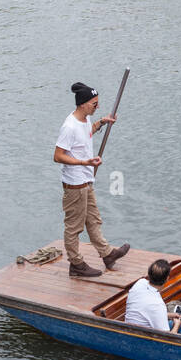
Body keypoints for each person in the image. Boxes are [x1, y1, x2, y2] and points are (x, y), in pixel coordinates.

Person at [54, 81, 130, 277]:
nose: (97, 107)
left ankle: (107, 254)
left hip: (87, 181)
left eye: (98, 103)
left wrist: (102, 122)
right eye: (94, 104)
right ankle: (76, 264)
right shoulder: (69, 126)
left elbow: (87, 133)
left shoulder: (85, 120)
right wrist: (84, 162)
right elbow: (58, 156)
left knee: (94, 220)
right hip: (75, 184)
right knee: (74, 227)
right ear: (82, 104)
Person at [125, 260, 181, 332]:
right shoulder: (157, 304)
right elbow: (166, 339)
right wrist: (177, 324)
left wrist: (170, 315)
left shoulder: (140, 283)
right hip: (145, 338)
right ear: (167, 279)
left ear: (149, 274)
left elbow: (146, 313)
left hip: (129, 330)